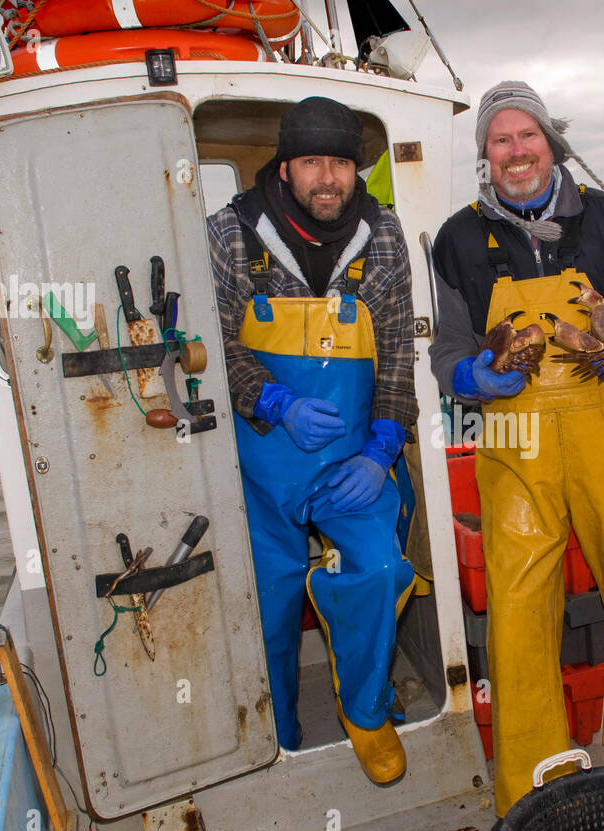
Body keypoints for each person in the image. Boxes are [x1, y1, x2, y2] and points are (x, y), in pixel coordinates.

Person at [430, 81, 604, 831]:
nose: (516, 153)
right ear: (485, 155)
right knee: (518, 611)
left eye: (528, 137)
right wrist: (476, 378)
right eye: (500, 141)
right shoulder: (456, 240)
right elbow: (447, 349)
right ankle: (522, 791)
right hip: (514, 436)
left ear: (552, 142)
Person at [207, 97, 417, 784]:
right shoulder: (229, 233)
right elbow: (207, 345)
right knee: (265, 604)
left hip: (349, 461)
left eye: (340, 164)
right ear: (286, 165)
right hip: (261, 465)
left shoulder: (383, 235)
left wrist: (383, 444)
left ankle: (365, 710)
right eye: (311, 164)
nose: (327, 178)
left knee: (381, 571)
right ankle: (277, 734)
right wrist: (271, 399)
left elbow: (396, 353)